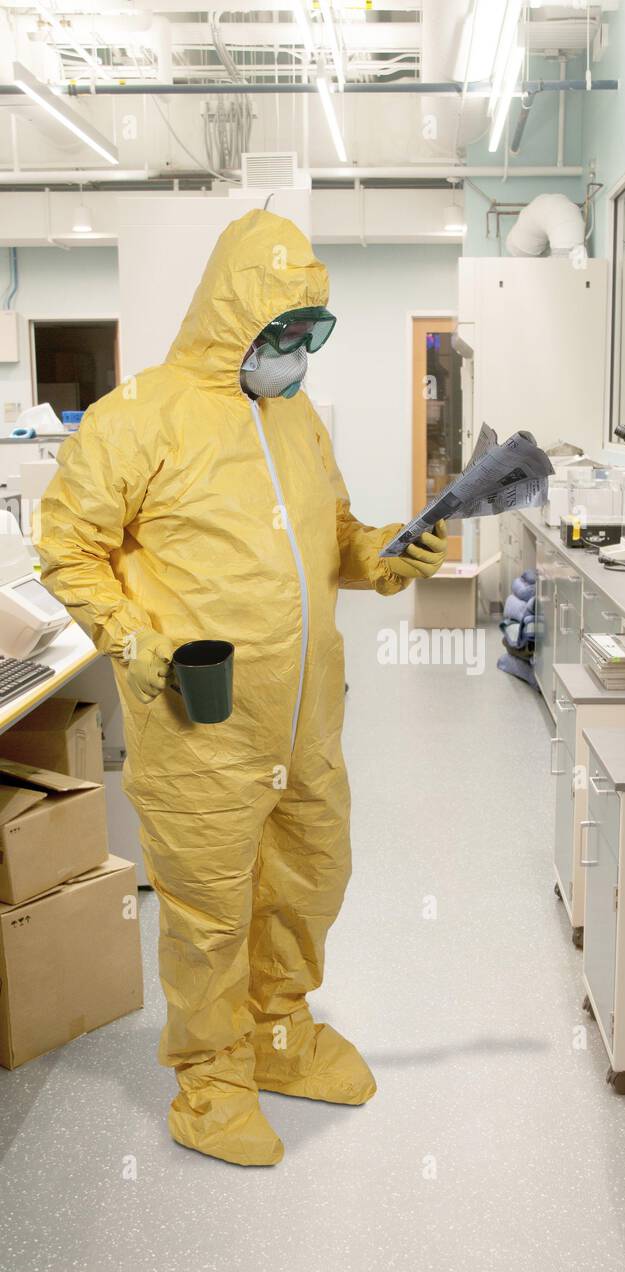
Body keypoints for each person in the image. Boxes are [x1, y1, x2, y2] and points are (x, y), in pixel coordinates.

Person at [36, 210, 447, 1167]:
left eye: (311, 333)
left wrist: (387, 555)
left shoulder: (294, 417)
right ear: (234, 321)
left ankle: (276, 1037)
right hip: (198, 723)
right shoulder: (137, 417)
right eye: (282, 333)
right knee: (211, 909)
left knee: (308, 880)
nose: (297, 352)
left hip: (304, 720)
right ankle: (210, 1082)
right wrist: (132, 639)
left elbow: (332, 537)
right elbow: (67, 547)